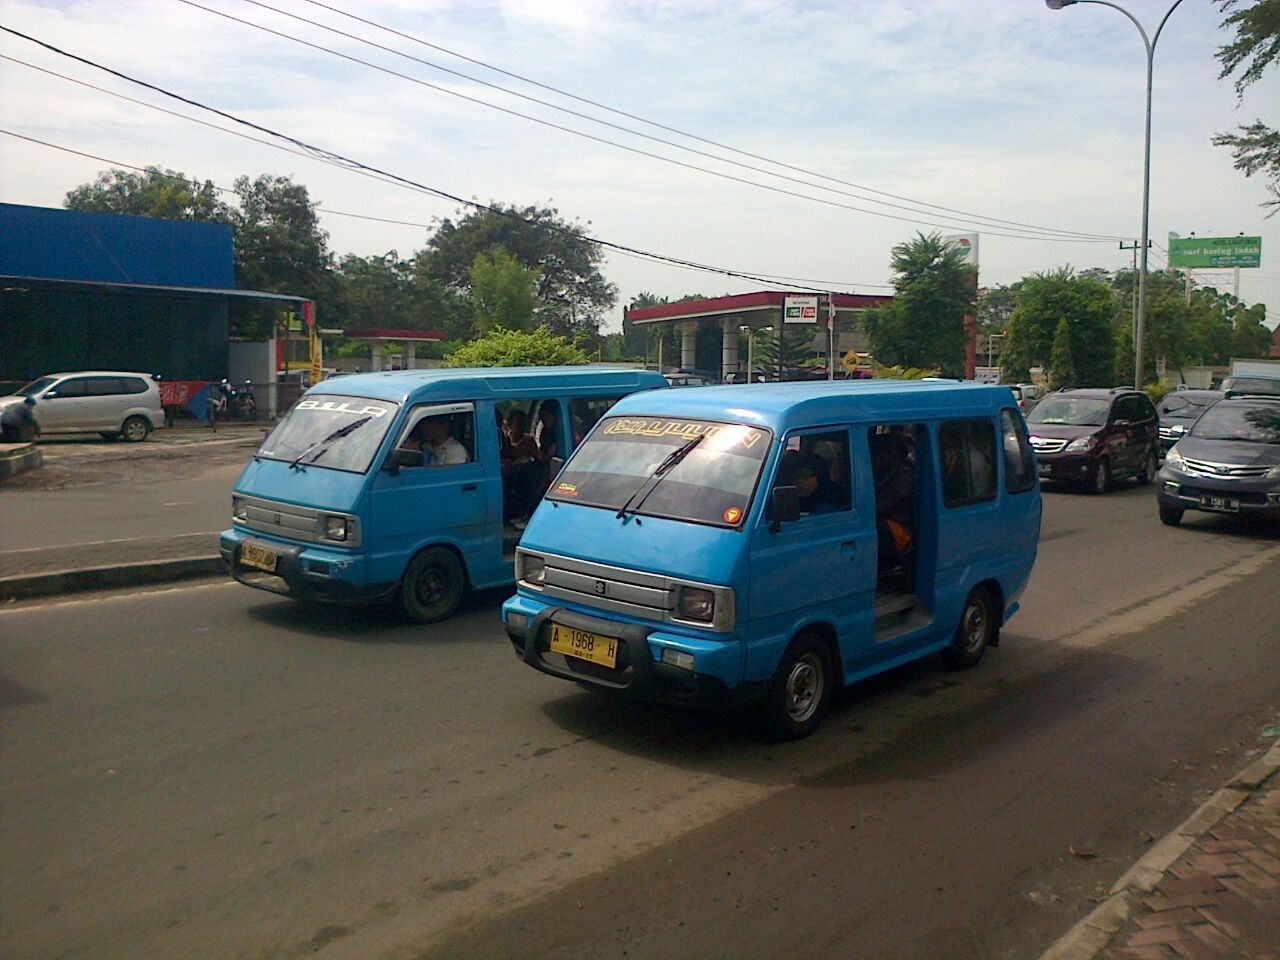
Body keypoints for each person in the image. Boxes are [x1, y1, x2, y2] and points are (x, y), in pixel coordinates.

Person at [870, 431, 914, 574]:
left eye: (878, 454)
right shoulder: (878, 473)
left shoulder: (905, 475)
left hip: (900, 531)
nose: (875, 458)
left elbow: (877, 506)